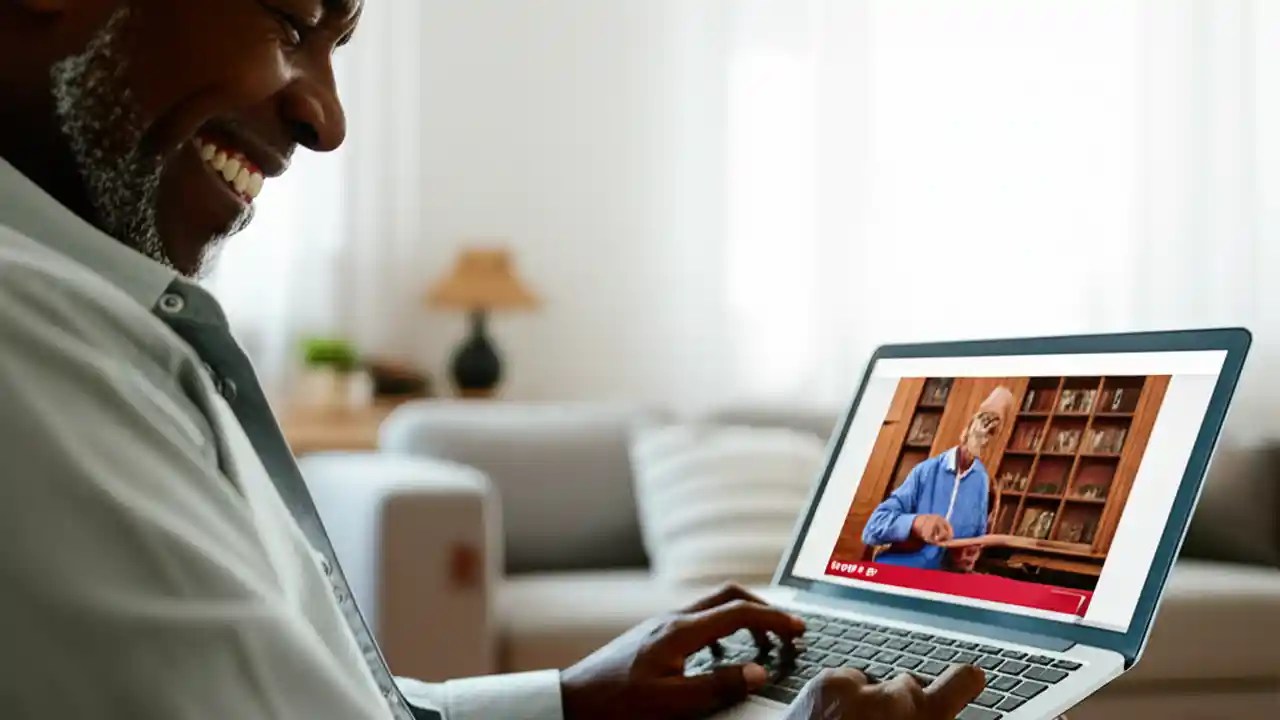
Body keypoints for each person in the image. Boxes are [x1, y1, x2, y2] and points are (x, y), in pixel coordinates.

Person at [0, 3, 984, 719]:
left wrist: (562, 701)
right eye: (293, 18)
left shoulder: (75, 317)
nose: (326, 120)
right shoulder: (33, 336)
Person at [862, 388, 1015, 571]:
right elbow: (873, 528)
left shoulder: (982, 482)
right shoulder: (927, 470)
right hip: (900, 572)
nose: (985, 438)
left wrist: (967, 555)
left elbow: (975, 540)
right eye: (984, 423)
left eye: (992, 432)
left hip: (941, 582)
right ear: (968, 427)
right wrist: (917, 523)